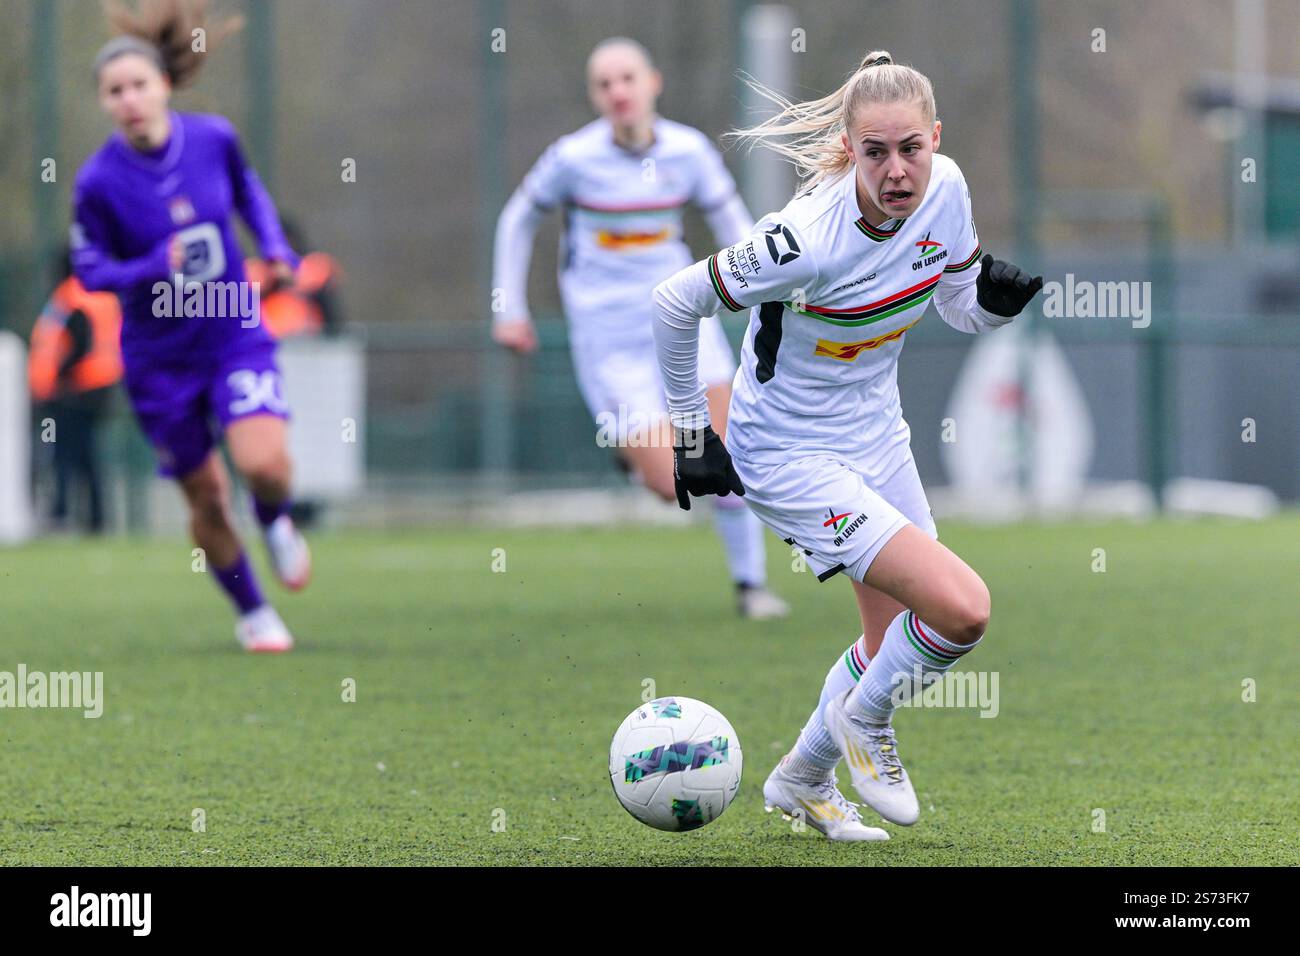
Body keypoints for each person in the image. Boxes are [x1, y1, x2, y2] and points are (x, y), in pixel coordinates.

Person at [652, 51, 1043, 840]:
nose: (897, 171)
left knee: (890, 636)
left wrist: (993, 306)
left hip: (877, 436)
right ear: (849, 146)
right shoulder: (804, 240)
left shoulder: (950, 190)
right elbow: (673, 302)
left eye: (912, 149)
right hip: (787, 454)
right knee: (961, 611)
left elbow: (959, 304)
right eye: (875, 152)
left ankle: (801, 776)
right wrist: (693, 431)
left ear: (936, 137)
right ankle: (865, 723)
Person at [492, 37, 789, 620]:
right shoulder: (573, 159)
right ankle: (634, 458)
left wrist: (773, 285)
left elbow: (733, 225)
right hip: (609, 342)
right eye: (604, 84)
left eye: (627, 78)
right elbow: (517, 218)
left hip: (682, 320)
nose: (618, 92)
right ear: (594, 96)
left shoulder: (688, 151)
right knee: (668, 483)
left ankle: (750, 585)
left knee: (725, 452)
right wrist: (509, 309)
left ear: (652, 82)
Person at [71, 0, 311, 652]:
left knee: (265, 467)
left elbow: (249, 195)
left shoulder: (213, 139)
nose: (128, 100)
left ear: (165, 86)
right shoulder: (97, 183)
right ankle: (253, 612)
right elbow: (90, 270)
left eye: (138, 85)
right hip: (158, 362)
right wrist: (153, 265)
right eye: (114, 91)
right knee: (205, 497)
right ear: (104, 103)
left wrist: (276, 252)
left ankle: (276, 520)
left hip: (232, 332)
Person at [28, 245, 123, 533]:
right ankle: (94, 518)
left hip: (76, 393)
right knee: (84, 455)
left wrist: (58, 377)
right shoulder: (91, 296)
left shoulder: (73, 298)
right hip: (93, 390)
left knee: (66, 454)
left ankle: (64, 513)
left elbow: (79, 344)